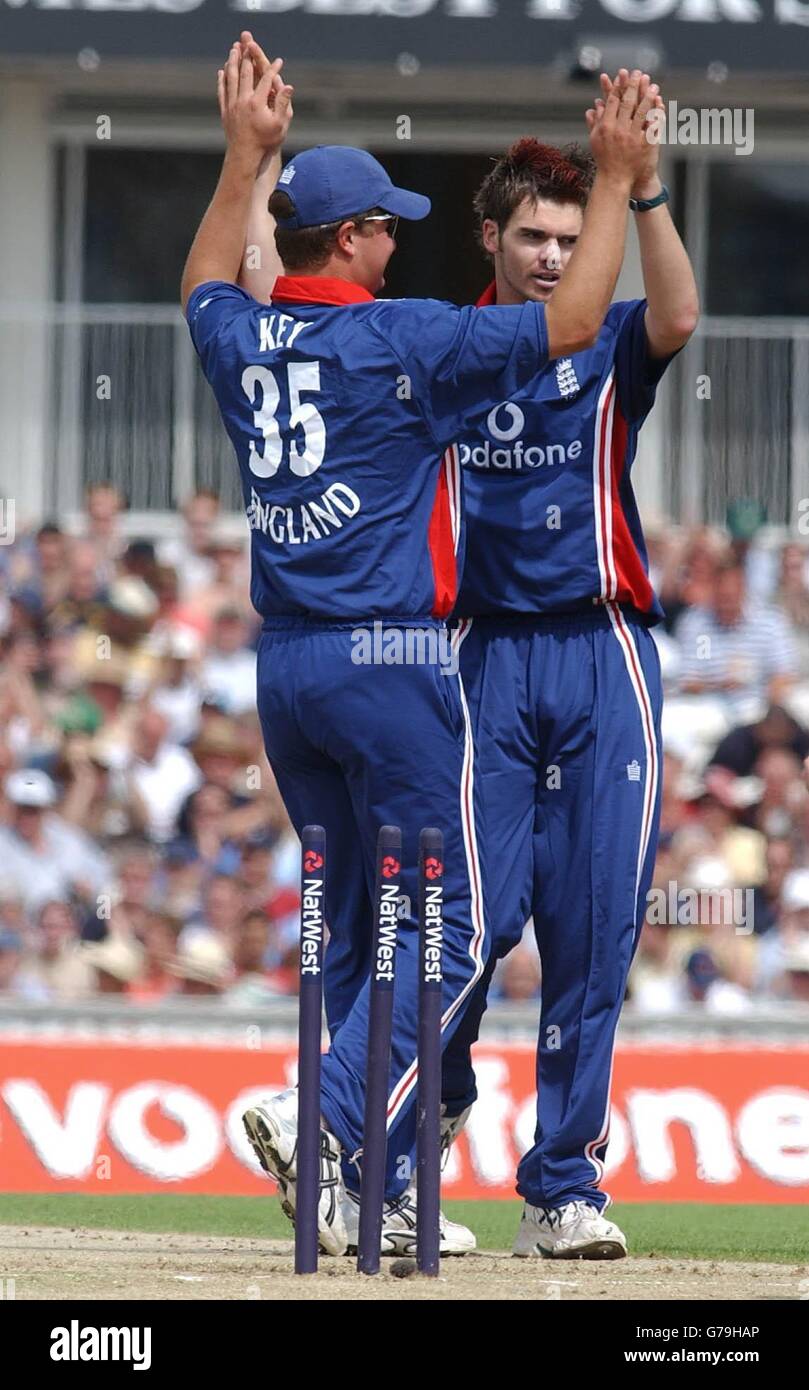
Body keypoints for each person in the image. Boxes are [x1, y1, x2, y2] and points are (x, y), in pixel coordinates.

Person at [182, 37, 656, 1257]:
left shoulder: (245, 341)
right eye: (384, 225)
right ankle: (323, 1116)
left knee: (353, 927)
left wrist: (246, 158)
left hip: (281, 673)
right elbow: (575, 316)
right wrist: (613, 180)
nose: (400, 238)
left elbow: (203, 282)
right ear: (347, 244)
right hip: (389, 664)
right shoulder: (402, 341)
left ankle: (354, 1179)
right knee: (444, 926)